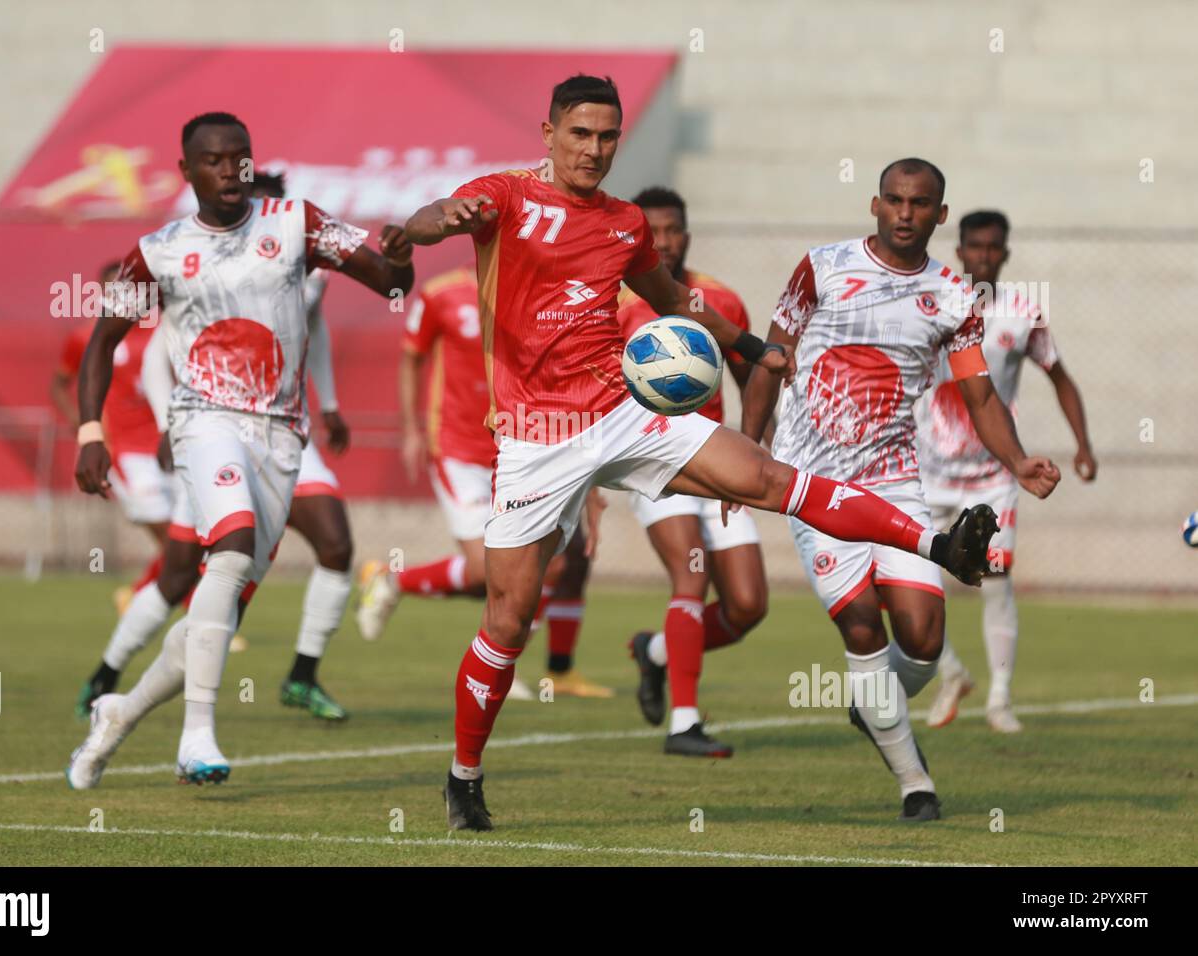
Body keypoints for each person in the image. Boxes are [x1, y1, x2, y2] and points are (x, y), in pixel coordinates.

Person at [402, 77, 998, 831]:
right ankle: (464, 776)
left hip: (621, 411)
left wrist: (749, 347)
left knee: (766, 474)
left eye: (607, 136)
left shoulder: (622, 222)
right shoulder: (504, 196)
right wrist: (428, 223)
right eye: (580, 134)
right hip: (535, 438)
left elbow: (669, 296)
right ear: (548, 131)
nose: (594, 149)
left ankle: (940, 542)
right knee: (508, 622)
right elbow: (432, 221)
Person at [67, 113, 412, 788]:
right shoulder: (160, 250)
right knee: (228, 545)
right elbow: (102, 343)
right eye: (216, 161)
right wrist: (91, 432)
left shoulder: (296, 223)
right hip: (203, 420)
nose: (232, 171)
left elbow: (393, 285)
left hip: (282, 437)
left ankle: (118, 712)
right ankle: (197, 737)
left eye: (241, 159)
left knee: (216, 609)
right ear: (187, 172)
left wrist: (401, 253)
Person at [741, 158, 1060, 821]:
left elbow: (978, 391)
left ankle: (873, 704)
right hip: (814, 484)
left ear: (940, 215)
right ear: (875, 205)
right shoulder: (822, 266)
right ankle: (916, 783)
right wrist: (747, 449)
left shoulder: (951, 293)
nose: (905, 213)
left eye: (920, 204)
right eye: (894, 200)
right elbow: (771, 356)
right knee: (861, 625)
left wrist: (1021, 462)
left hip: (893, 482)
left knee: (920, 634)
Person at [356, 263, 612, 697]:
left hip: (520, 448)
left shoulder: (542, 296)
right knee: (486, 570)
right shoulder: (442, 293)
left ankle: (503, 665)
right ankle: (393, 579)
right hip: (458, 449)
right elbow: (412, 356)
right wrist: (412, 429)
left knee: (554, 564)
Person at [920, 210, 1095, 734]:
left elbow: (1060, 378)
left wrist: (1082, 444)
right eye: (974, 246)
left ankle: (998, 699)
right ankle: (952, 673)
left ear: (1005, 253)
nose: (983, 255)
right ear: (959, 250)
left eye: (993, 247)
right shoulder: (931, 308)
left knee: (994, 579)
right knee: (912, 584)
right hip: (926, 474)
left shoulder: (1023, 314)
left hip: (995, 475)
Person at [618, 186, 768, 757]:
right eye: (651, 231)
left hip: (717, 460)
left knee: (748, 606)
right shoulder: (612, 302)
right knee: (691, 574)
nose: (664, 241)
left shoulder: (720, 301)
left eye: (673, 230)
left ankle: (656, 652)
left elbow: (750, 376)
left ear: (688, 233)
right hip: (652, 462)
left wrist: (752, 454)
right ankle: (684, 725)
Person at [52, 260, 172, 627]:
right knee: (175, 541)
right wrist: (84, 427)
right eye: (113, 289)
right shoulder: (89, 337)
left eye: (128, 287)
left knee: (192, 540)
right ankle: (205, 626)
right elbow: (59, 383)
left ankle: (137, 595)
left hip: (166, 449)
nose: (121, 295)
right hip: (126, 453)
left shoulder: (160, 332)